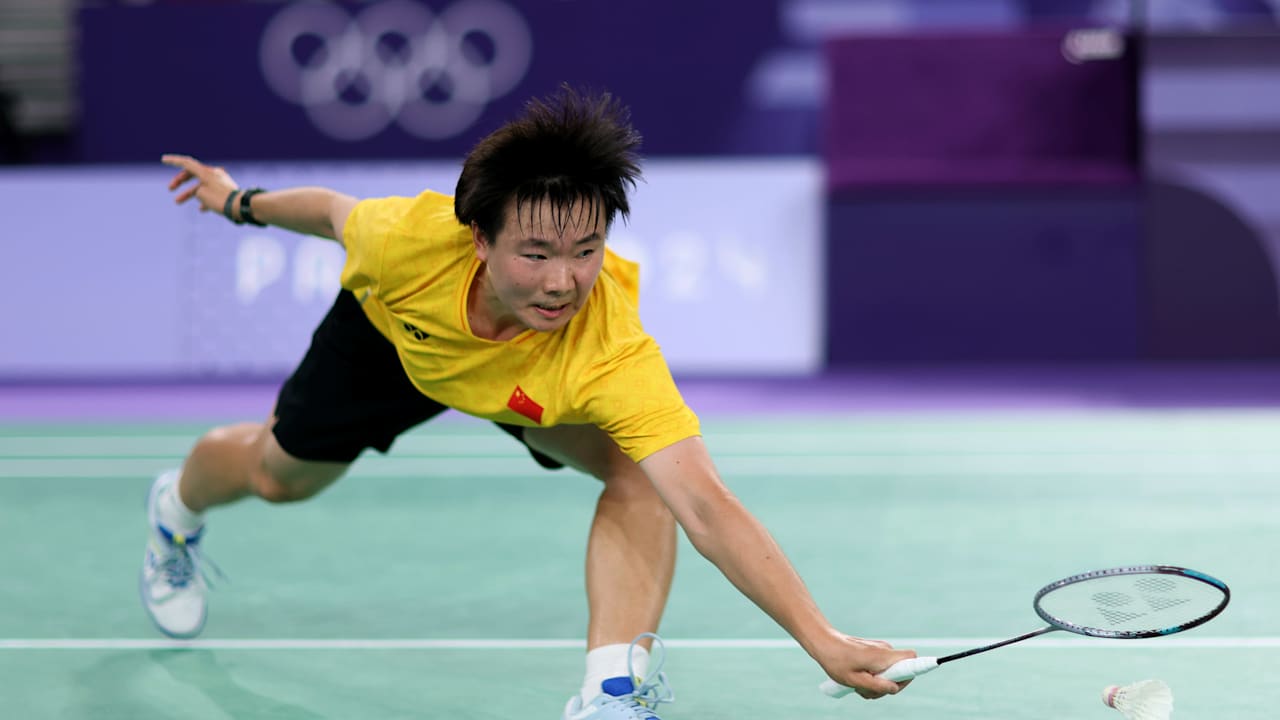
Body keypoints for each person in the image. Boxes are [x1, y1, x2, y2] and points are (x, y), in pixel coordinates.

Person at [142, 86, 915, 719]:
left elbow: (706, 505)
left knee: (641, 471)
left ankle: (612, 685)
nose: (562, 281)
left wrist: (821, 637)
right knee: (280, 478)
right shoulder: (408, 240)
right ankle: (174, 511)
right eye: (536, 253)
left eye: (586, 251)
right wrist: (238, 201)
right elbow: (329, 211)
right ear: (478, 237)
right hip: (391, 344)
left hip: (533, 381)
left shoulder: (609, 347)